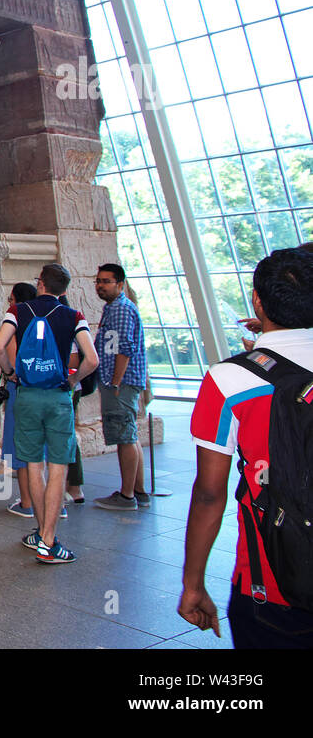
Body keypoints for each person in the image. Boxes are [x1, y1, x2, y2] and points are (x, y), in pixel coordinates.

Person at [179, 247, 313, 646]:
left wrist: (193, 583)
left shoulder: (230, 379)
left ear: (257, 299)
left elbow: (209, 494)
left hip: (272, 585)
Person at [0, 263, 98, 563]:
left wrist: (12, 373)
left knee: (33, 465)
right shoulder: (73, 316)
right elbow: (92, 358)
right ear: (64, 290)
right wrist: (73, 380)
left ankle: (41, 533)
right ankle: (49, 541)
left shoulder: (18, 311)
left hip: (26, 395)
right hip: (58, 397)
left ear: (40, 284)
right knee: (58, 467)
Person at [91, 264, 150, 512]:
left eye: (106, 281)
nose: (100, 285)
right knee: (129, 434)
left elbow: (124, 348)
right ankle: (137, 491)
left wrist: (115, 381)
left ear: (120, 284)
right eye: (98, 281)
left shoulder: (122, 310)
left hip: (120, 383)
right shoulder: (113, 308)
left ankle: (127, 496)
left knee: (125, 437)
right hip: (118, 381)